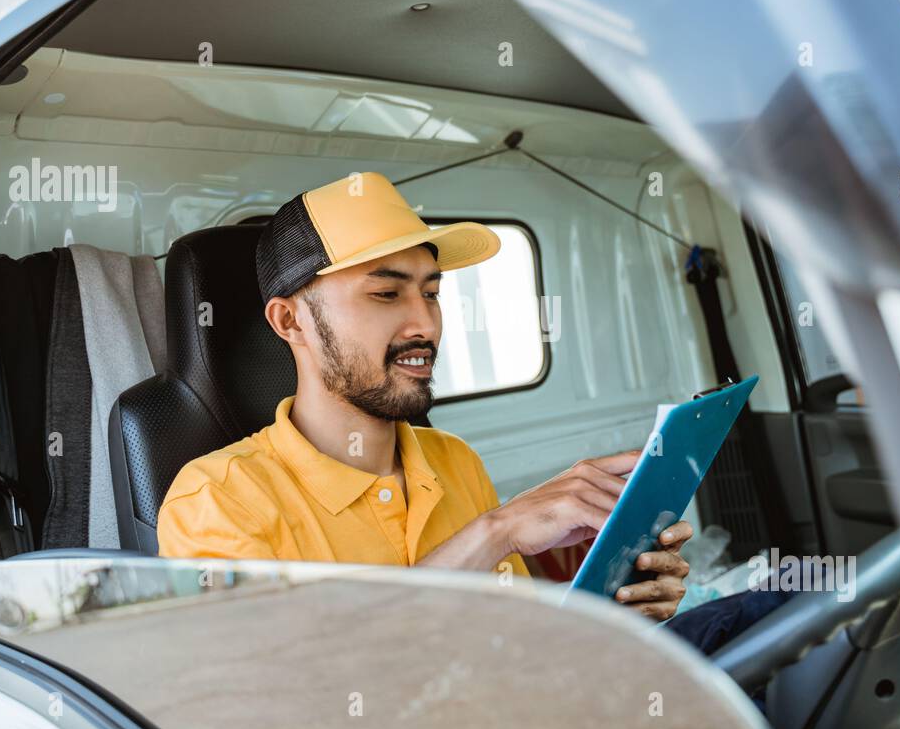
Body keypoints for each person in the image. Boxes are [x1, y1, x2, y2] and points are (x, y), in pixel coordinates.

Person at [157, 171, 691, 621]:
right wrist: (496, 531)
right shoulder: (217, 501)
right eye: (386, 293)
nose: (426, 324)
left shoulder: (454, 460)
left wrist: (610, 614)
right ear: (291, 321)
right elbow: (289, 690)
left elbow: (509, 638)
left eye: (432, 293)